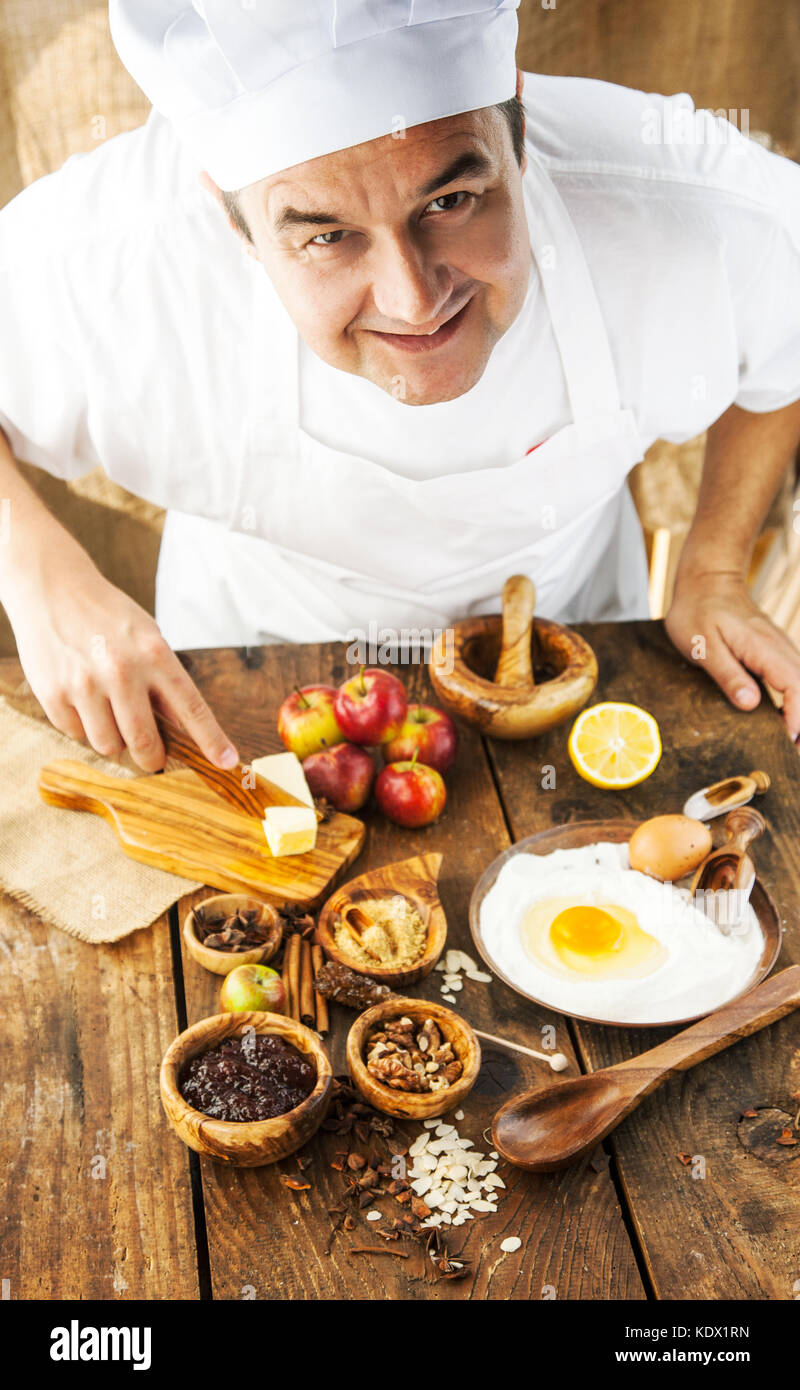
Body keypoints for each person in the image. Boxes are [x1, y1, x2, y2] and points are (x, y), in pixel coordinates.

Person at [1, 0, 799, 773]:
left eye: (450, 201)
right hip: (242, 696)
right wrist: (39, 581)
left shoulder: (679, 204)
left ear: (514, 120)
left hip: (579, 667)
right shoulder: (113, 259)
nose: (414, 301)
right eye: (328, 236)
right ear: (230, 215)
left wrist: (717, 571)